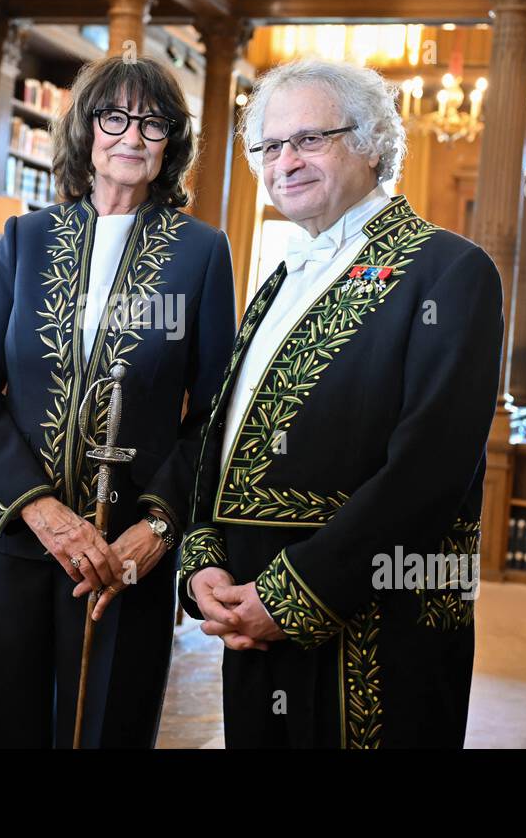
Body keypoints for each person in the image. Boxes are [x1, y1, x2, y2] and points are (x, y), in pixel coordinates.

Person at [178, 57, 504, 748]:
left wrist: (294, 595)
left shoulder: (450, 269)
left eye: (309, 139)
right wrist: (204, 557)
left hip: (375, 622)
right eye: (268, 146)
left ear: (373, 142)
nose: (284, 161)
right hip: (248, 614)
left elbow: (432, 471)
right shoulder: (280, 277)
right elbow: (222, 431)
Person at [0, 55, 236, 747]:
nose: (132, 136)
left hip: (124, 556)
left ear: (173, 141)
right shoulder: (26, 239)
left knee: (107, 731)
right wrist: (43, 513)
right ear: (86, 129)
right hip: (13, 534)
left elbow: (214, 415)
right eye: (115, 117)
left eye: (154, 122)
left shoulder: (202, 253)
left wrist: (159, 529)